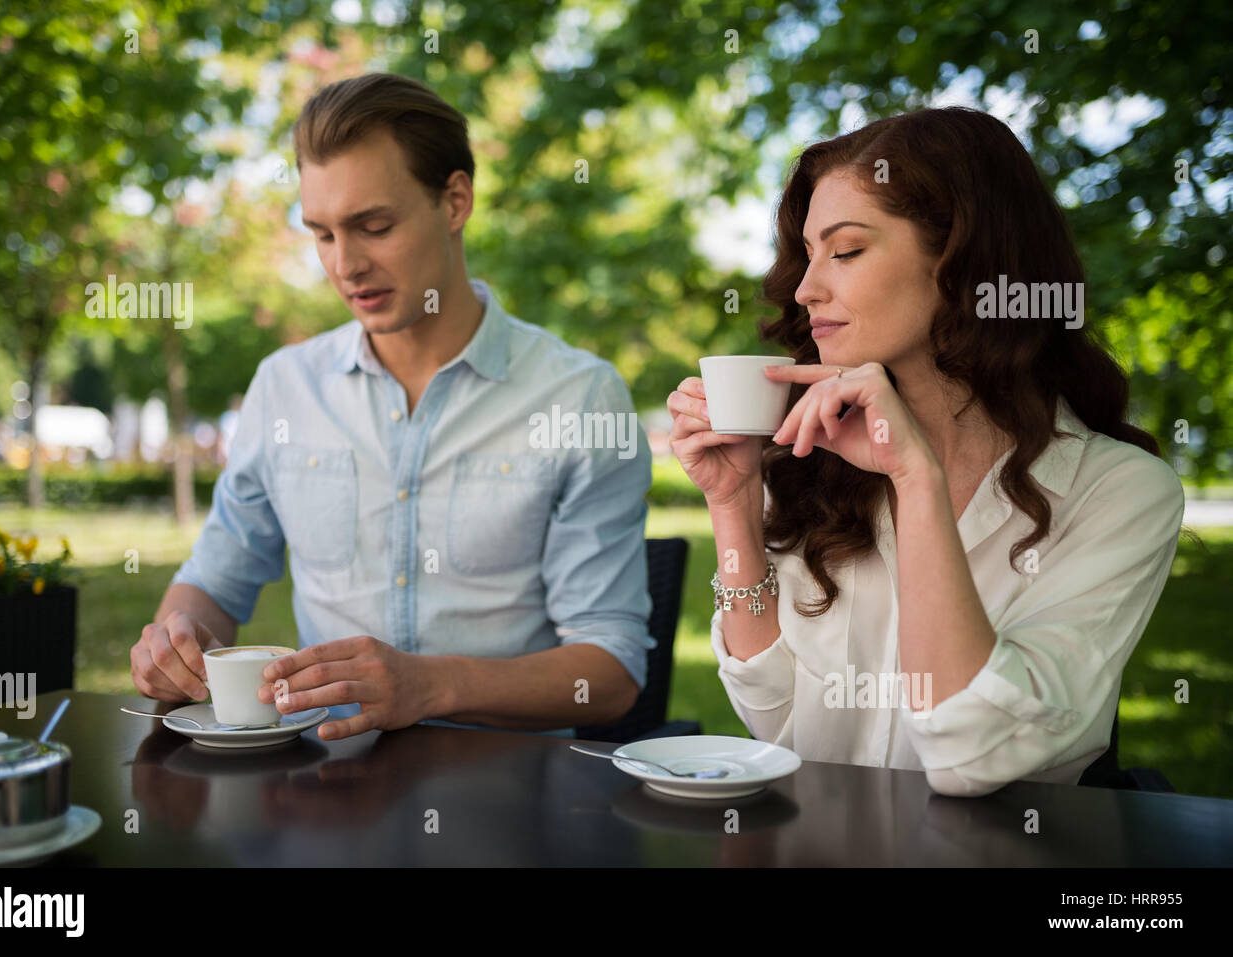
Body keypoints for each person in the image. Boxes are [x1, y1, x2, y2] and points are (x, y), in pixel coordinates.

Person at [667, 106, 1185, 797]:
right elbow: (778, 725)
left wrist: (917, 479)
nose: (805, 289)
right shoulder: (814, 466)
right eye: (809, 255)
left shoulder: (1120, 493)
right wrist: (733, 505)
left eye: (846, 251)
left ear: (963, 261)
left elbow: (974, 754)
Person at [131, 73, 654, 740]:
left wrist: (432, 684)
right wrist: (174, 640)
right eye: (321, 234)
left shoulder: (579, 398)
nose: (345, 265)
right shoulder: (284, 387)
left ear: (456, 199)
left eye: (373, 225)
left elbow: (610, 673)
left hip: (509, 810)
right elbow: (214, 582)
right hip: (322, 798)